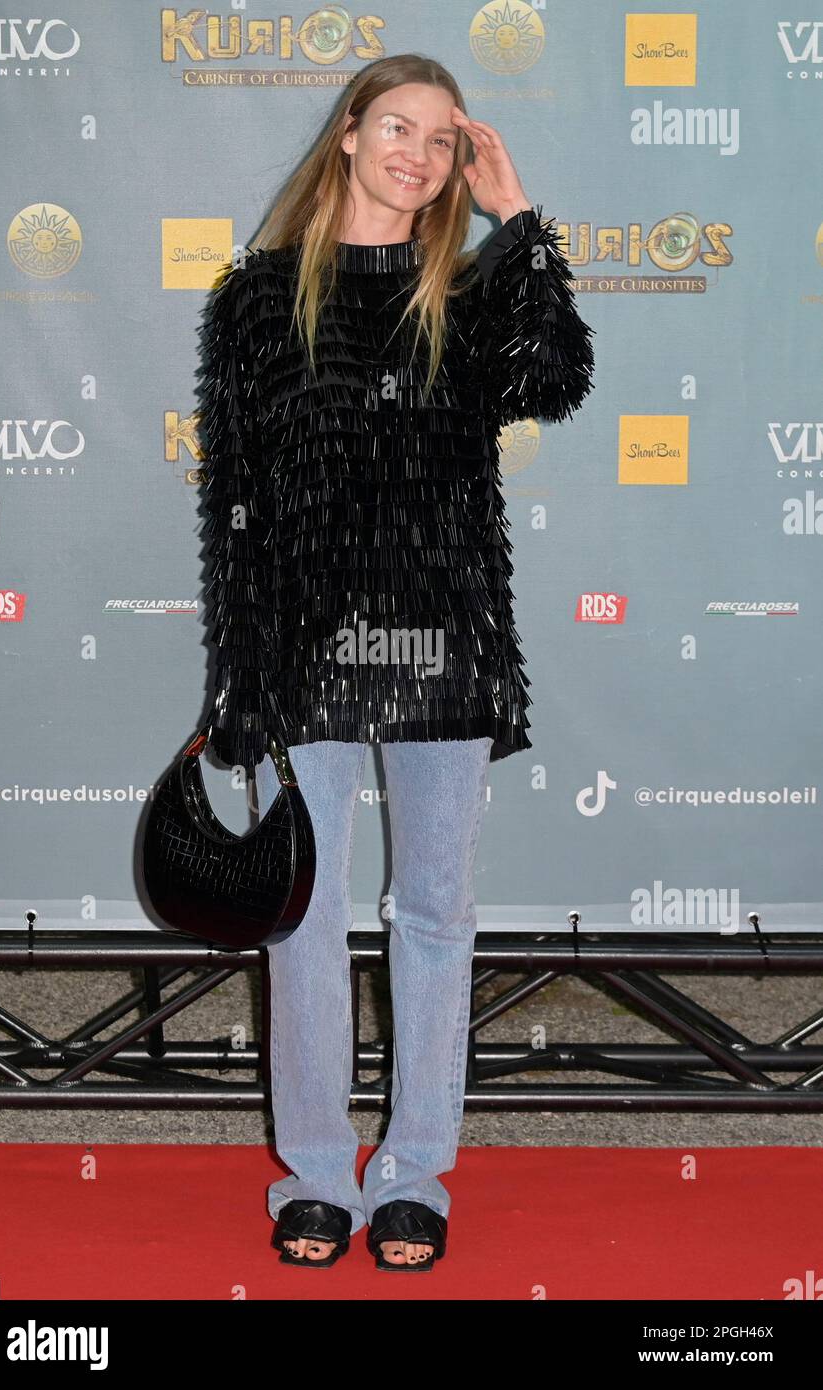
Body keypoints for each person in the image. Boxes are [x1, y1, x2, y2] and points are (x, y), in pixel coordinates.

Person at [197, 53, 594, 1272]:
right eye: (396, 127)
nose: (415, 153)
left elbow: (561, 379)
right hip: (305, 642)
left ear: (451, 165)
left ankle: (413, 1170)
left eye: (441, 139)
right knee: (302, 915)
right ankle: (316, 1174)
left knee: (431, 910)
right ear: (350, 133)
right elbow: (236, 502)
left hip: (442, 632)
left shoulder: (469, 297)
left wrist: (517, 218)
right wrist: (240, 676)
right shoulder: (259, 298)